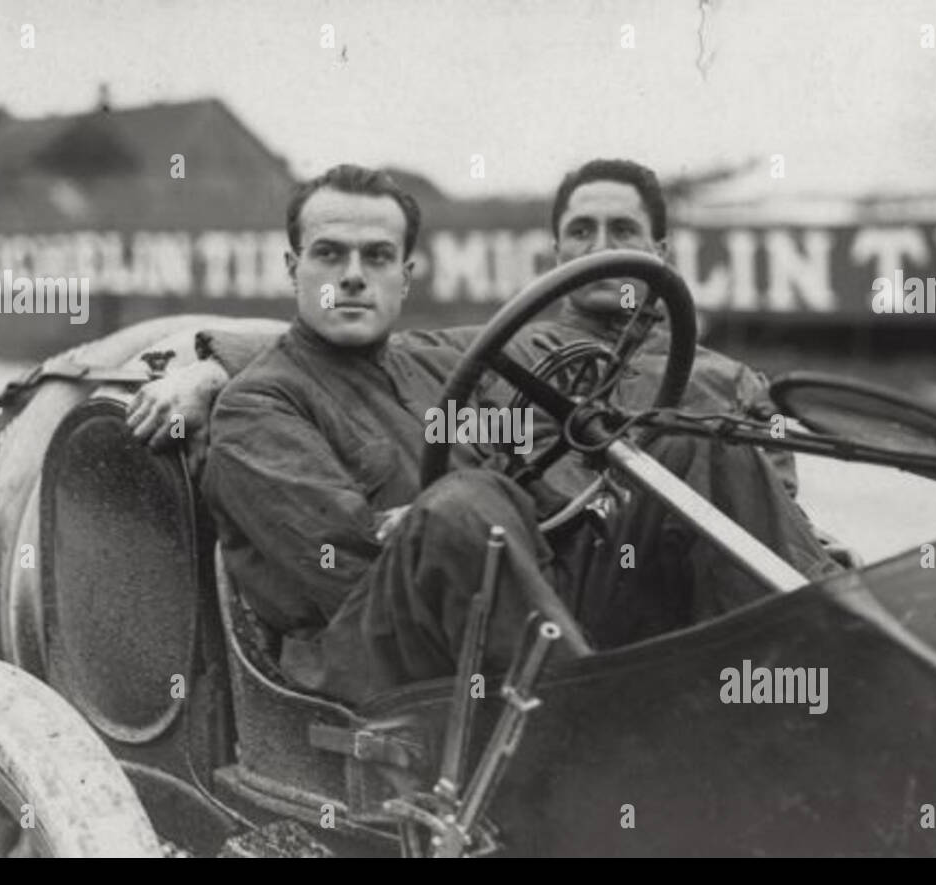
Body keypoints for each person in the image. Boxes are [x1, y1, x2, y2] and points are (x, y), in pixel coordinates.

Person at [197, 164, 837, 707]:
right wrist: (201, 369)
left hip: (516, 603)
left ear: (406, 275)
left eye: (378, 256)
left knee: (692, 445)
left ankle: (824, 663)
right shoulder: (258, 406)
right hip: (381, 650)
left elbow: (531, 429)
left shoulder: (439, 363)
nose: (355, 276)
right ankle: (584, 741)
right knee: (465, 504)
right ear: (293, 267)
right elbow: (345, 565)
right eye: (330, 254)